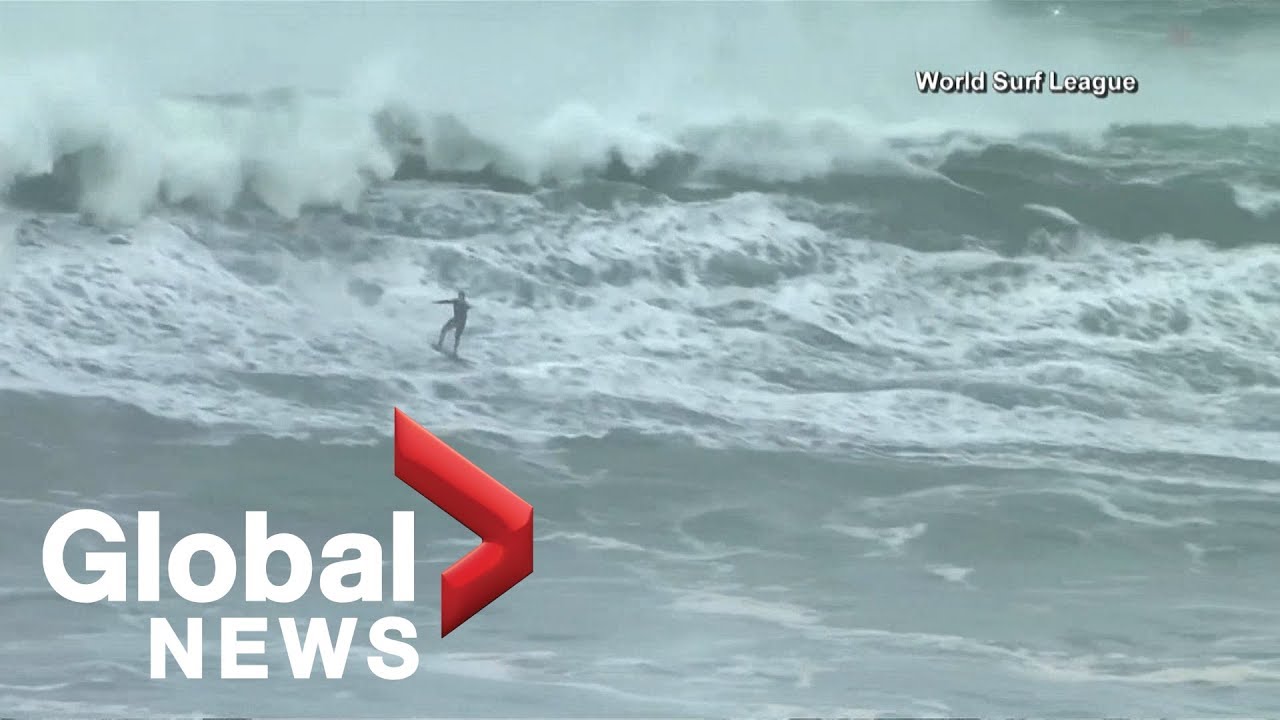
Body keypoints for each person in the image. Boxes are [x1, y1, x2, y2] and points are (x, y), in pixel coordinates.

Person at [433, 290, 470, 356]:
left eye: (461, 297)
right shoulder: (456, 301)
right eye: (459, 296)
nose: (460, 298)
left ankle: (455, 351)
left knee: (457, 337)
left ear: (463, 298)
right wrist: (437, 302)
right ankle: (439, 345)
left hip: (461, 322)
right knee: (444, 329)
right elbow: (447, 301)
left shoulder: (465, 305)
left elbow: (468, 311)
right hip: (455, 319)